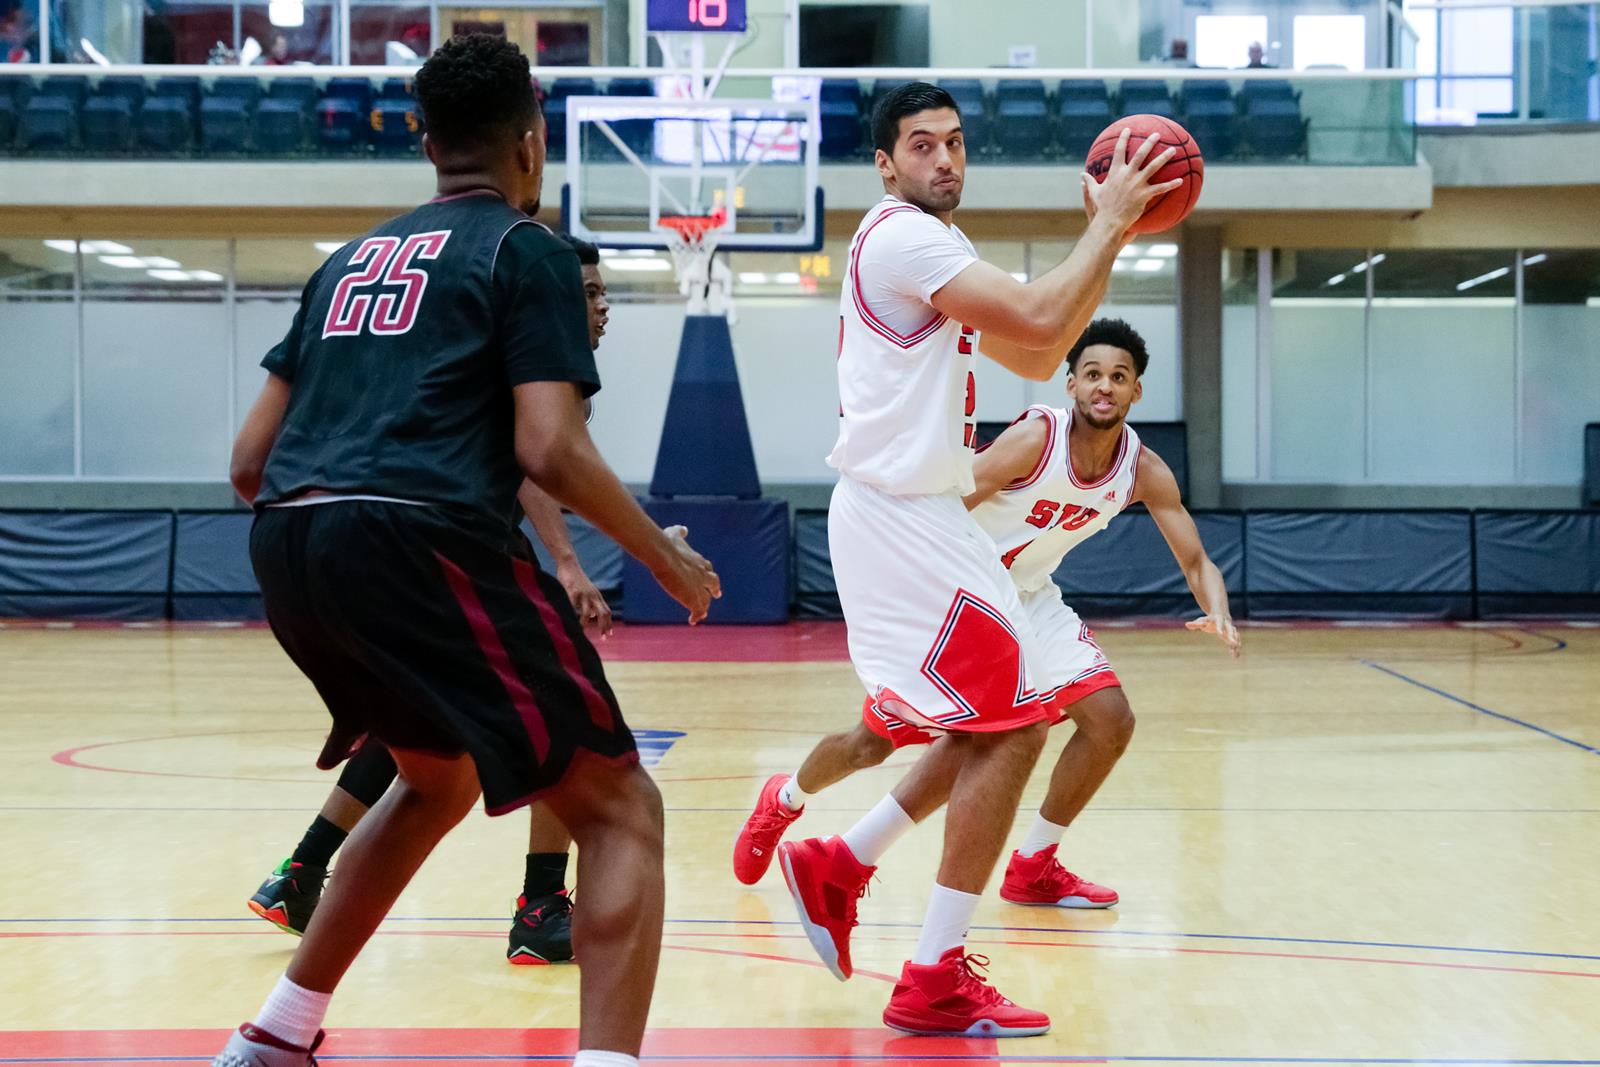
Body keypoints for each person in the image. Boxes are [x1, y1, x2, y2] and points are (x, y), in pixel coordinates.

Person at [211, 33, 719, 1067]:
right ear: (532, 142)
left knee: (429, 779)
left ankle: (275, 1033)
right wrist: (659, 557)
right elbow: (549, 446)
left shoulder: (343, 262)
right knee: (621, 804)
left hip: (291, 545)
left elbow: (248, 461)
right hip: (415, 531)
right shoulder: (523, 249)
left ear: (426, 139)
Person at [761, 82, 1179, 1039]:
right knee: (1015, 724)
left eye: (954, 143)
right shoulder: (905, 237)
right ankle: (928, 968)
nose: (944, 160)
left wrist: (1106, 237)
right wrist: (1111, 220)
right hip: (901, 516)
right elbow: (1039, 322)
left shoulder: (927, 246)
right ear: (885, 162)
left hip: (924, 515)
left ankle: (847, 865)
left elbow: (1039, 357)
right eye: (921, 145)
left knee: (998, 725)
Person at [735, 318, 1239, 921]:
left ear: (1136, 392)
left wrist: (1219, 609)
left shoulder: (1143, 470)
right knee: (872, 744)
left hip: (1029, 598)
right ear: (1072, 384)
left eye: (1119, 377)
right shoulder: (1035, 442)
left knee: (1110, 720)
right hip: (959, 593)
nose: (1105, 386)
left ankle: (1034, 867)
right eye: (1093, 374)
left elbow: (1195, 559)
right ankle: (785, 799)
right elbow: (943, 508)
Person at [245, 233, 614, 969]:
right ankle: (541, 907)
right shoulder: (520, 341)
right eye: (591, 293)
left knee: (415, 733)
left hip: (364, 549)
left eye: (606, 294)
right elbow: (530, 470)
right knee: (566, 720)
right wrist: (571, 565)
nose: (604, 309)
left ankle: (300, 872)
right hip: (457, 555)